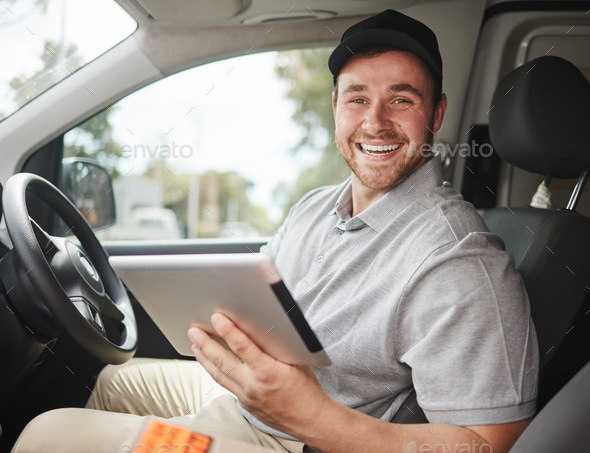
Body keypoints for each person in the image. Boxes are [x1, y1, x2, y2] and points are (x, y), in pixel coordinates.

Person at [12, 9, 538, 453]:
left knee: (46, 432)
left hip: (294, 442)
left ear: (437, 113)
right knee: (110, 382)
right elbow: (262, 301)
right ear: (336, 108)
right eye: (357, 98)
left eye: (402, 99)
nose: (375, 121)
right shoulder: (315, 207)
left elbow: (490, 443)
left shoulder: (458, 260)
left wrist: (309, 417)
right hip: (247, 402)